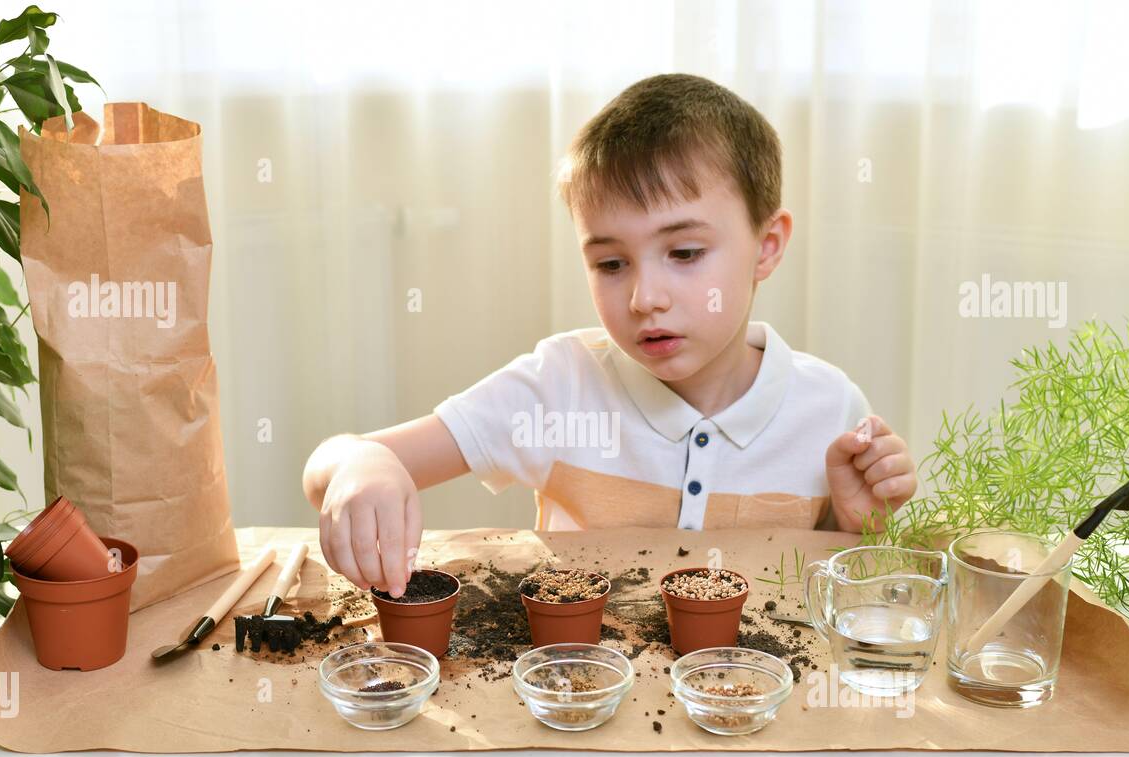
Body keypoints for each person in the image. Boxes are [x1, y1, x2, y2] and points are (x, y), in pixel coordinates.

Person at [303, 73, 917, 597]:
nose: (644, 297)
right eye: (611, 264)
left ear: (767, 245)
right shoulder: (559, 387)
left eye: (684, 252)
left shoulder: (830, 409)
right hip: (580, 698)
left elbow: (850, 593)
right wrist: (363, 465)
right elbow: (331, 464)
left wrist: (857, 524)